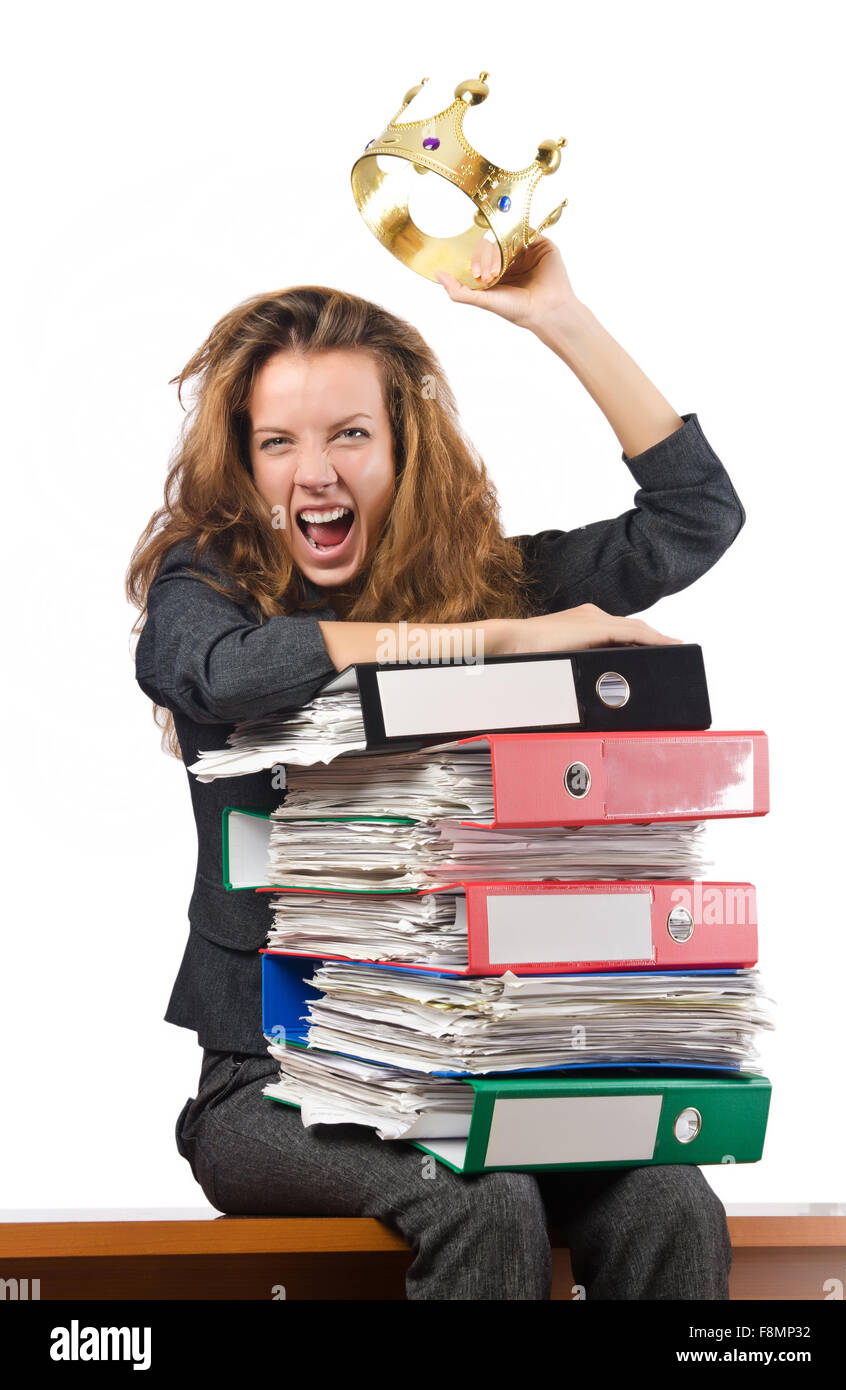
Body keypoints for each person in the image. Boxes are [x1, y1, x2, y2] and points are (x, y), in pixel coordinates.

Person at [126, 234, 743, 1300]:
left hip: (481, 1079)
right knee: (480, 1199)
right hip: (271, 1092)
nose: (313, 471)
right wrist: (494, 644)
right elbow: (206, 669)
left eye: (350, 434)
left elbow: (695, 519)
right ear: (246, 463)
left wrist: (561, 316)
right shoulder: (210, 585)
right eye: (277, 442)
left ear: (405, 446)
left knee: (670, 1197)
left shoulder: (487, 579)